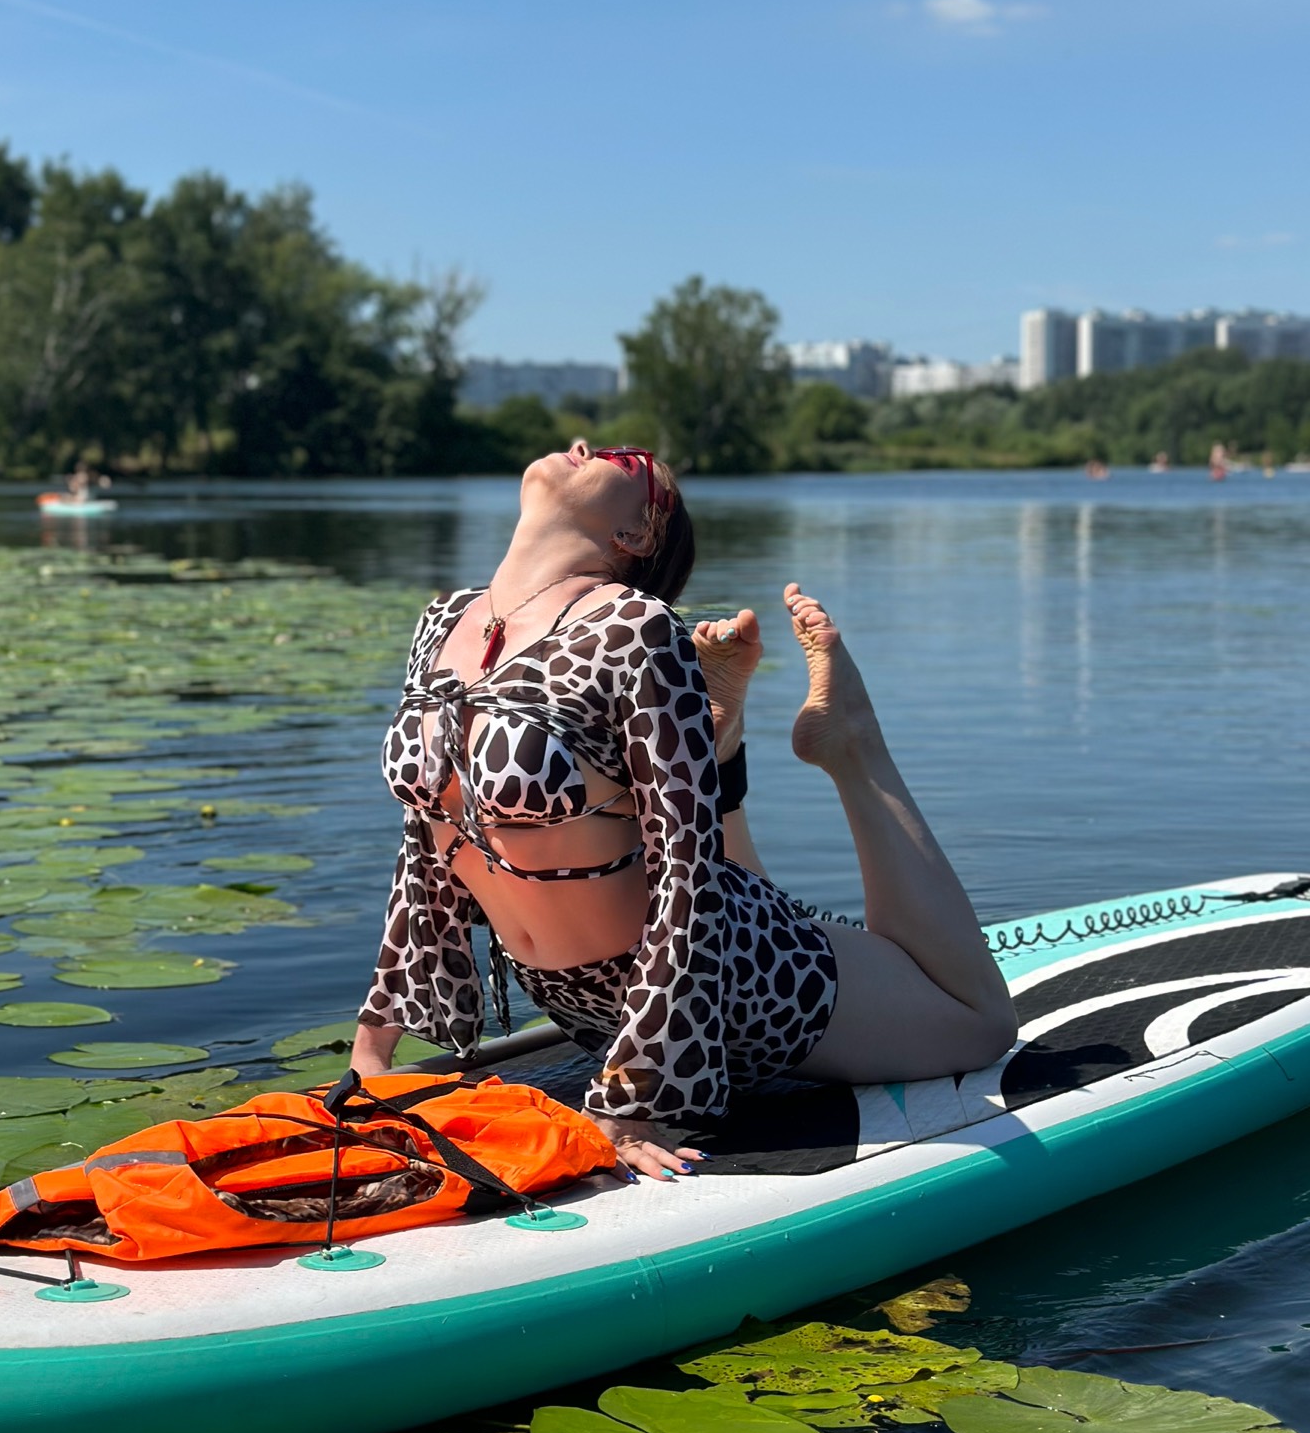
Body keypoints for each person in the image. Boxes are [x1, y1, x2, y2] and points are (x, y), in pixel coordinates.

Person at [353, 442, 1016, 1183]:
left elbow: (687, 871)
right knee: (744, 881)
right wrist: (372, 1055)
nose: (584, 448)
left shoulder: (634, 627)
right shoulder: (442, 622)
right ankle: (717, 739)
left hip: (725, 981)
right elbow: (426, 850)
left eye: (621, 461)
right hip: (578, 1002)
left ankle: (852, 747)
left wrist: (643, 1093)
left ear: (634, 536)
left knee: (979, 1021)